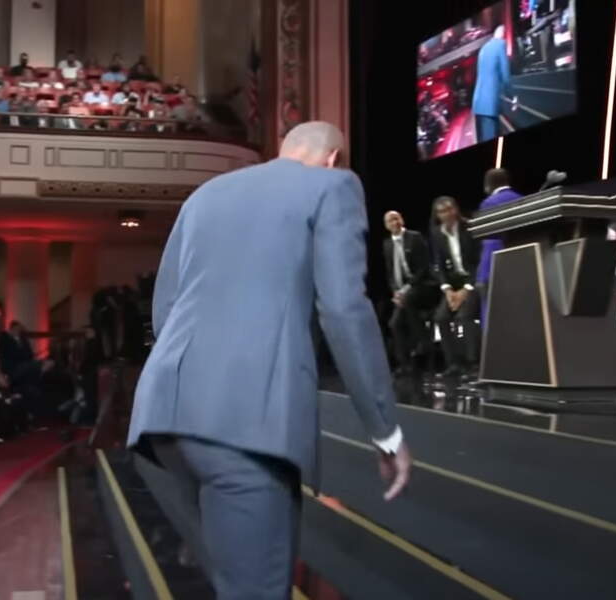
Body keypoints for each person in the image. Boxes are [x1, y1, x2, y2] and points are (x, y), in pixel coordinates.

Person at [127, 121, 411, 600]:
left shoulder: (206, 194)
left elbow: (164, 307)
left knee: (235, 583)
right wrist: (385, 431)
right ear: (332, 158)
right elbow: (343, 308)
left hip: (167, 418)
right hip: (245, 422)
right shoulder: (333, 185)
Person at [431, 196, 482, 377]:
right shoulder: (437, 233)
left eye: (450, 209)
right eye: (443, 211)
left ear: (456, 210)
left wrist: (466, 290)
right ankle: (453, 363)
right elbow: (439, 265)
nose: (448, 213)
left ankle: (473, 364)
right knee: (441, 317)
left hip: (473, 280)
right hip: (453, 285)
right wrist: (447, 290)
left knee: (465, 316)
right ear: (438, 215)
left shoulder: (470, 227)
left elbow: (479, 261)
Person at [383, 211, 437, 375]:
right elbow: (390, 272)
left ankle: (423, 345)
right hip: (403, 293)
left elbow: (423, 268)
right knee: (395, 324)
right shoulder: (387, 244)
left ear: (402, 219)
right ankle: (404, 364)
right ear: (386, 226)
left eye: (396, 218)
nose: (394, 222)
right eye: (390, 220)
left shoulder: (415, 237)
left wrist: (406, 288)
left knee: (410, 299)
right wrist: (395, 292)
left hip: (422, 286)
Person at [476, 168, 523, 321]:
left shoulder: (488, 203)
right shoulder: (521, 198)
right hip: (519, 262)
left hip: (492, 263)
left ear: (487, 185)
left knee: (491, 313)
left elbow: (487, 235)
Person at [472, 25, 519, 143]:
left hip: (478, 102)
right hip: (490, 103)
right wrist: (512, 96)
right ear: (503, 34)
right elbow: (505, 75)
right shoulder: (500, 45)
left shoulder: (483, 49)